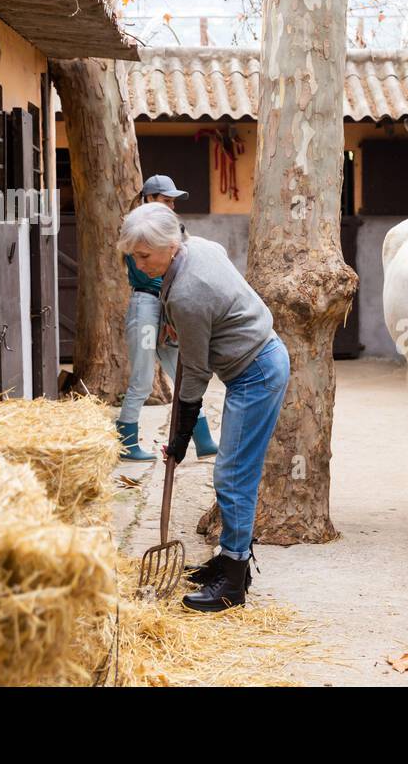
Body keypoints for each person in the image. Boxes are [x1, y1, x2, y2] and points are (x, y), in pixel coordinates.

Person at [116, 203, 289, 612]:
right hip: (260, 358)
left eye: (145, 256)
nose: (139, 265)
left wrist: (179, 438)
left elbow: (194, 373)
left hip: (257, 372)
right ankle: (231, 560)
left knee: (233, 473)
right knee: (233, 471)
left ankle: (233, 583)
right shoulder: (203, 247)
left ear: (171, 246)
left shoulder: (188, 293)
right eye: (133, 257)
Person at [117, 175, 219, 462]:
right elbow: (147, 276)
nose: (171, 206)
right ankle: (126, 442)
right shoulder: (136, 231)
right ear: (148, 199)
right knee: (142, 379)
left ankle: (203, 440)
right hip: (148, 306)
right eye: (165, 200)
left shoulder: (171, 229)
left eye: (173, 201)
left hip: (168, 307)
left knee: (183, 375)